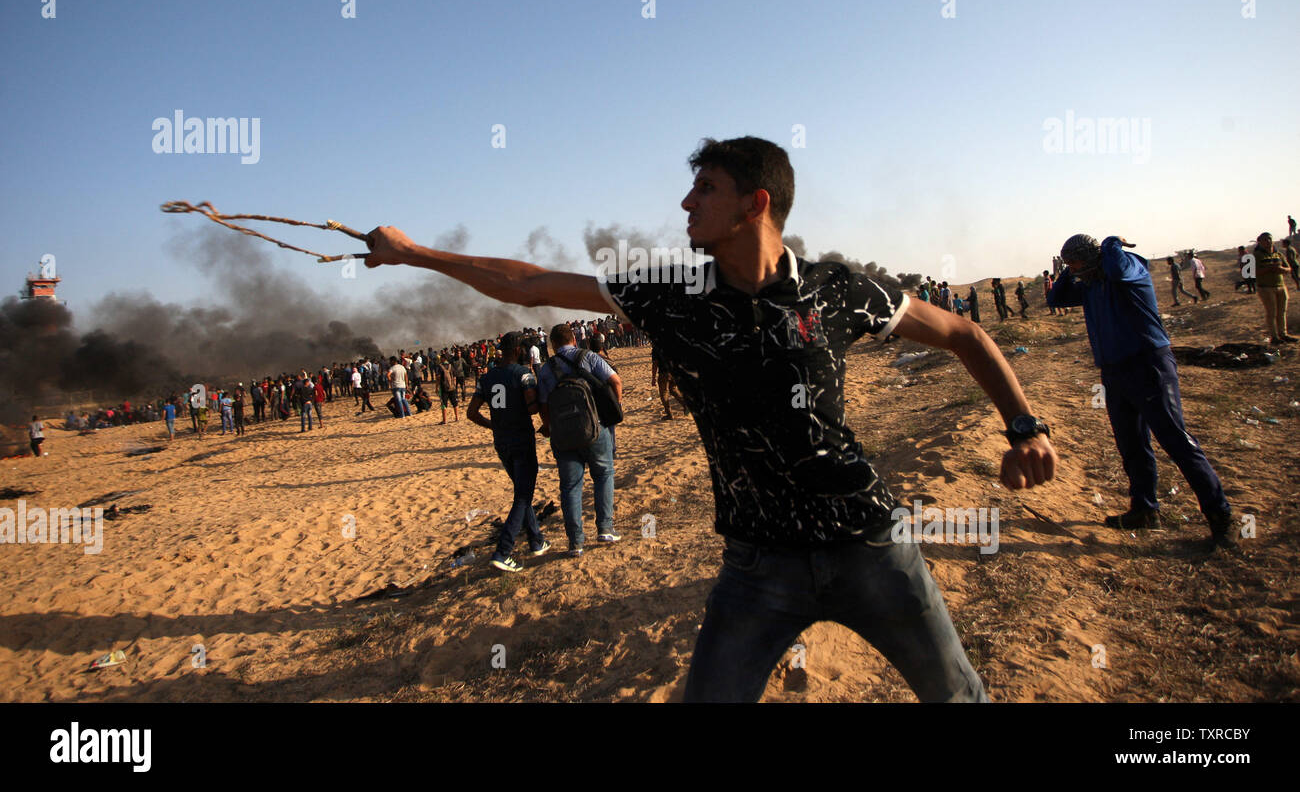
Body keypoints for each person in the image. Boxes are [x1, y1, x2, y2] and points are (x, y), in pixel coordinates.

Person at [362, 134, 1056, 703]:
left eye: (706, 190)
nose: (686, 202)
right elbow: (528, 283)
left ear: (755, 204)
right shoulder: (672, 292)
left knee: (958, 697)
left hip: (871, 546)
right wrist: (413, 252)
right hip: (756, 567)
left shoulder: (836, 289)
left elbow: (963, 333)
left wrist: (1025, 427)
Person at [1049, 235, 1234, 542]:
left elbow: (1119, 269)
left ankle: (1220, 516)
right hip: (1114, 371)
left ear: (1092, 256)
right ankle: (1144, 509)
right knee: (1131, 444)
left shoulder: (1129, 268)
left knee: (1175, 440)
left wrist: (1110, 243)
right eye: (1071, 264)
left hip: (1148, 365)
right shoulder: (1092, 284)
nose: (1075, 269)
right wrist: (1069, 270)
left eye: (1077, 262)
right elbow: (1056, 299)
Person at [467, 331, 550, 571]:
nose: (525, 351)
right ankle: (503, 551)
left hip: (501, 441)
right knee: (523, 496)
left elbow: (472, 413)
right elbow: (533, 409)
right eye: (523, 348)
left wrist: (493, 424)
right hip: (521, 438)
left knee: (521, 491)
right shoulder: (523, 374)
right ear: (517, 350)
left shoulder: (487, 378)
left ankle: (536, 540)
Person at [536, 324, 623, 554]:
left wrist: (549, 428)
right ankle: (605, 528)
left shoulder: (546, 369)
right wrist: (613, 411)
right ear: (574, 339)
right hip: (595, 428)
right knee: (604, 475)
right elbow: (616, 382)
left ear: (553, 345)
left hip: (563, 434)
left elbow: (543, 406)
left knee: (570, 487)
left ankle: (575, 542)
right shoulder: (589, 357)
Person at [1253, 232, 1296, 344]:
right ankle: (1274, 336)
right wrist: (1269, 269)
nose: (1268, 241)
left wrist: (1281, 269)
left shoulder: (1278, 254)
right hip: (1266, 287)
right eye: (1265, 240)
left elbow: (1289, 269)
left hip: (1280, 285)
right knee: (1271, 312)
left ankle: (1283, 334)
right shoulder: (1256, 255)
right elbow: (1251, 272)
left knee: (1282, 312)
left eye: (1269, 239)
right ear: (1260, 242)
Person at [651, 344, 689, 420]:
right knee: (673, 390)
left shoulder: (656, 348)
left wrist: (653, 378)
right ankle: (686, 405)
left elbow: (655, 364)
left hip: (663, 373)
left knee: (664, 393)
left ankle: (669, 414)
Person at [435, 356, 460, 424]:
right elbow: (454, 377)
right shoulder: (450, 366)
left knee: (444, 404)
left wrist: (437, 387)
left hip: (444, 388)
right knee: (454, 403)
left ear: (443, 359)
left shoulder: (440, 367)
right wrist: (453, 385)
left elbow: (438, 378)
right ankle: (457, 417)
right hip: (452, 387)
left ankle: (445, 420)